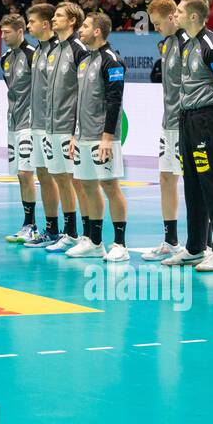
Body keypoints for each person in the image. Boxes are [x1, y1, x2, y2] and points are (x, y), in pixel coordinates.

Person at [166, 0, 213, 271]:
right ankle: (195, 246)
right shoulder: (187, 45)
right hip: (188, 119)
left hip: (209, 120)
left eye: (180, 11)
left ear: (193, 16)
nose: (176, 15)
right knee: (193, 183)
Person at [64, 13, 128, 260]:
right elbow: (79, 101)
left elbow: (115, 101)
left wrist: (107, 137)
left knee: (110, 186)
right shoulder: (84, 60)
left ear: (98, 32)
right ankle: (94, 241)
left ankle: (120, 245)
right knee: (88, 186)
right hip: (82, 136)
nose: (81, 30)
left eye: (86, 26)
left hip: (103, 137)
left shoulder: (111, 61)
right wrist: (74, 135)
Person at [143, 0, 187, 261]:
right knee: (166, 178)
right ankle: (170, 241)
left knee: (194, 183)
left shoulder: (187, 43)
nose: (156, 28)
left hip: (187, 124)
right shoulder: (166, 44)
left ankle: (201, 243)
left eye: (158, 23)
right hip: (168, 123)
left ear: (172, 17)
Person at [43, 3, 88, 252]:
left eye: (59, 15)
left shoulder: (78, 49)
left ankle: (87, 235)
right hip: (52, 126)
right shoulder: (54, 50)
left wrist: (75, 131)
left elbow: (84, 92)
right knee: (60, 178)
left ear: (72, 21)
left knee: (76, 181)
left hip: (70, 127)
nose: (54, 18)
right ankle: (69, 233)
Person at [18, 4, 63, 247]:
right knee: (44, 176)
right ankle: (52, 229)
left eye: (32, 22)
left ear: (45, 24)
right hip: (36, 124)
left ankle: (72, 231)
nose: (28, 26)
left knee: (63, 178)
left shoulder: (61, 49)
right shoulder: (37, 51)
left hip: (54, 125)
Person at [0, 15, 38, 243]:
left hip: (30, 122)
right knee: (20, 176)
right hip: (12, 122)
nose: (3, 37)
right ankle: (27, 223)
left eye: (7, 33)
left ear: (21, 31)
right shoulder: (5, 58)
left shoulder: (33, 55)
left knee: (26, 172)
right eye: (2, 33)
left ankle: (32, 224)